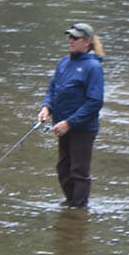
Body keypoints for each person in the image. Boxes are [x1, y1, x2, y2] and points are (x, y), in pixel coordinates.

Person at [39, 22, 104, 208]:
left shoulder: (93, 68)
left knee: (78, 171)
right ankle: (71, 205)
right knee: (63, 169)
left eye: (75, 38)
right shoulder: (64, 63)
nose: (71, 40)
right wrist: (46, 108)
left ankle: (78, 210)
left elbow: (95, 102)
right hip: (62, 126)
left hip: (82, 129)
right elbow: (53, 88)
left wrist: (70, 123)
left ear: (87, 42)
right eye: (70, 37)